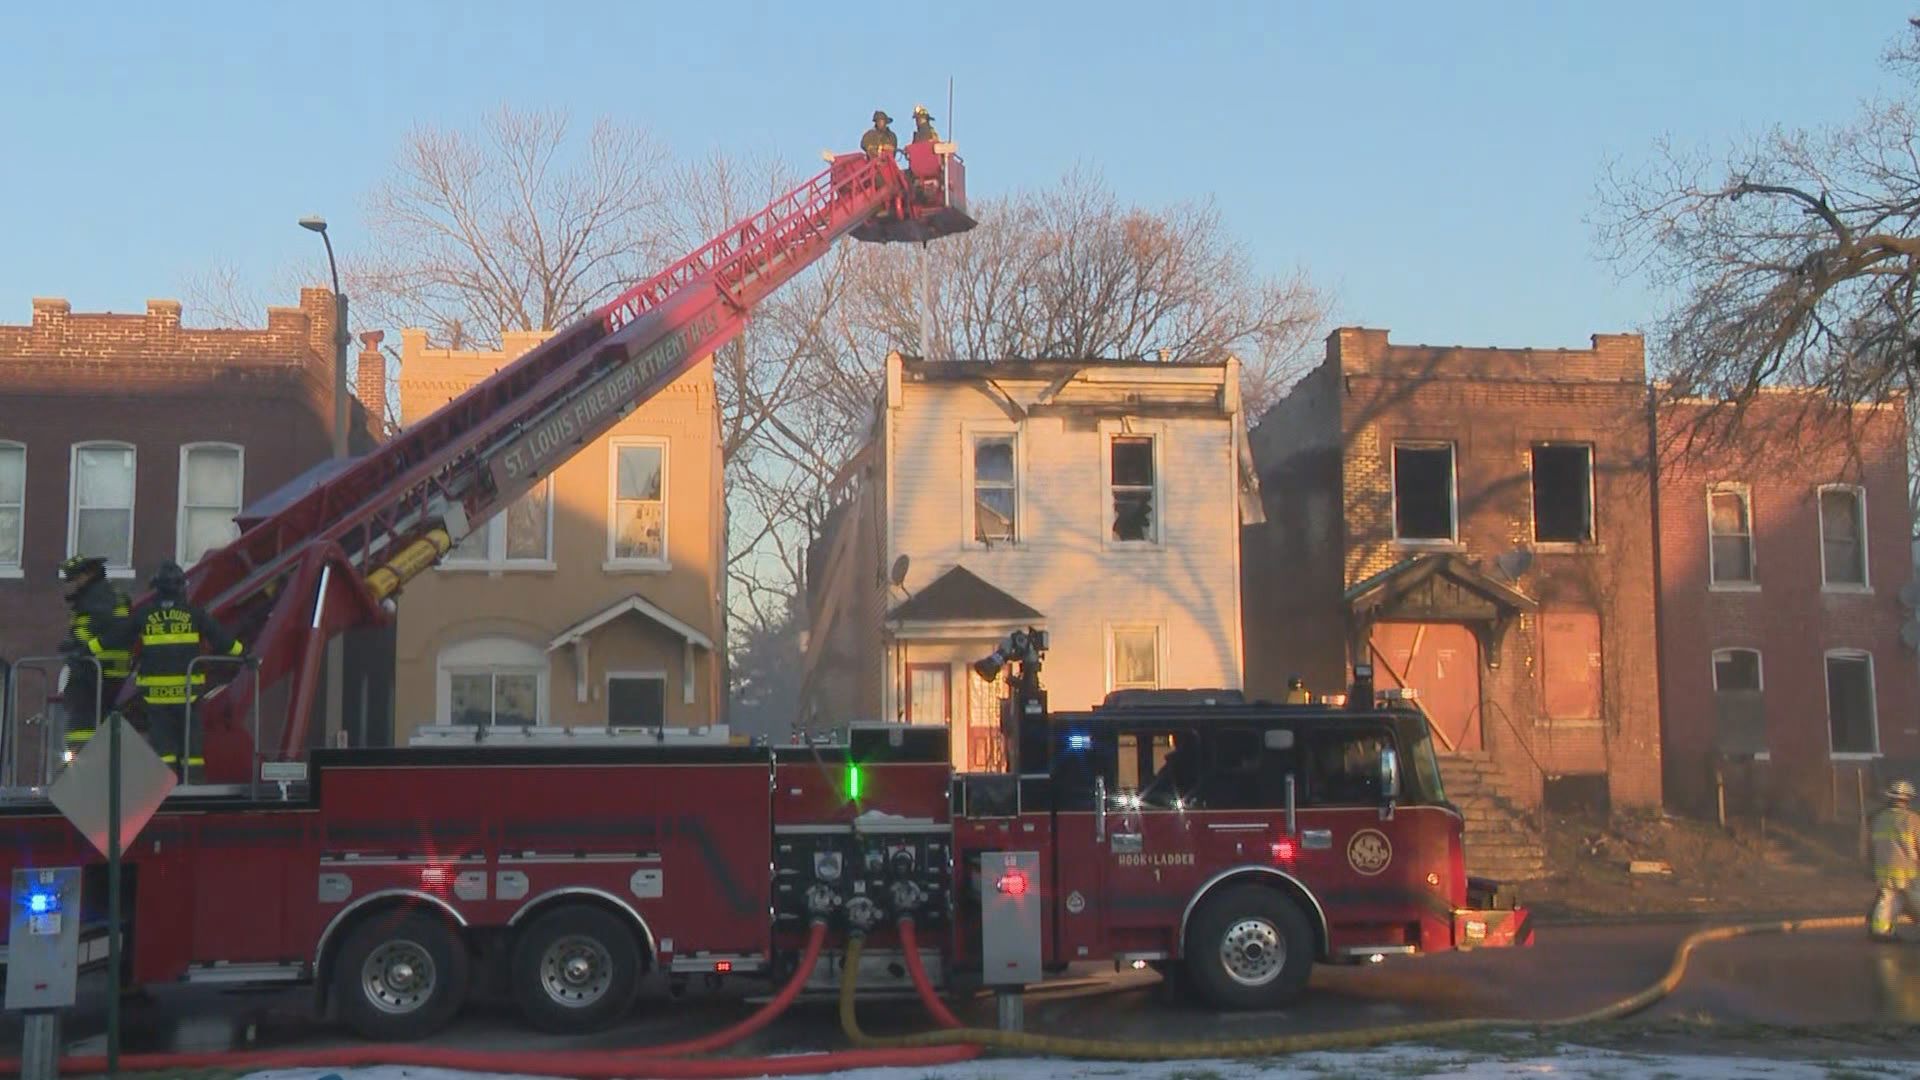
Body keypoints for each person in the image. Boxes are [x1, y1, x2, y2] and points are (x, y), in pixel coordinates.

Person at [111, 561, 244, 779]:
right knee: (191, 744)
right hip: (187, 694)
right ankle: (191, 785)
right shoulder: (194, 614)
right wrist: (244, 654)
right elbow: (222, 641)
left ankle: (166, 787)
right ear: (181, 587)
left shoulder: (144, 615)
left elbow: (117, 637)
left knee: (163, 745)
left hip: (156, 696)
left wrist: (89, 649)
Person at [58, 554, 133, 754]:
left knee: (82, 717)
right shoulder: (108, 594)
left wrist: (81, 648)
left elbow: (106, 630)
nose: (75, 584)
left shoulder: (98, 597)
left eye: (77, 578)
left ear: (89, 573)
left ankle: (79, 758)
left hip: (94, 669)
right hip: (107, 669)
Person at [1870, 779, 1920, 941]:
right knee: (1916, 899)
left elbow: (1871, 845)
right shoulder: (1913, 819)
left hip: (1883, 870)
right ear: (1908, 799)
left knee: (1887, 900)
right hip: (1908, 872)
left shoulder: (1879, 818)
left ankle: (1881, 931)